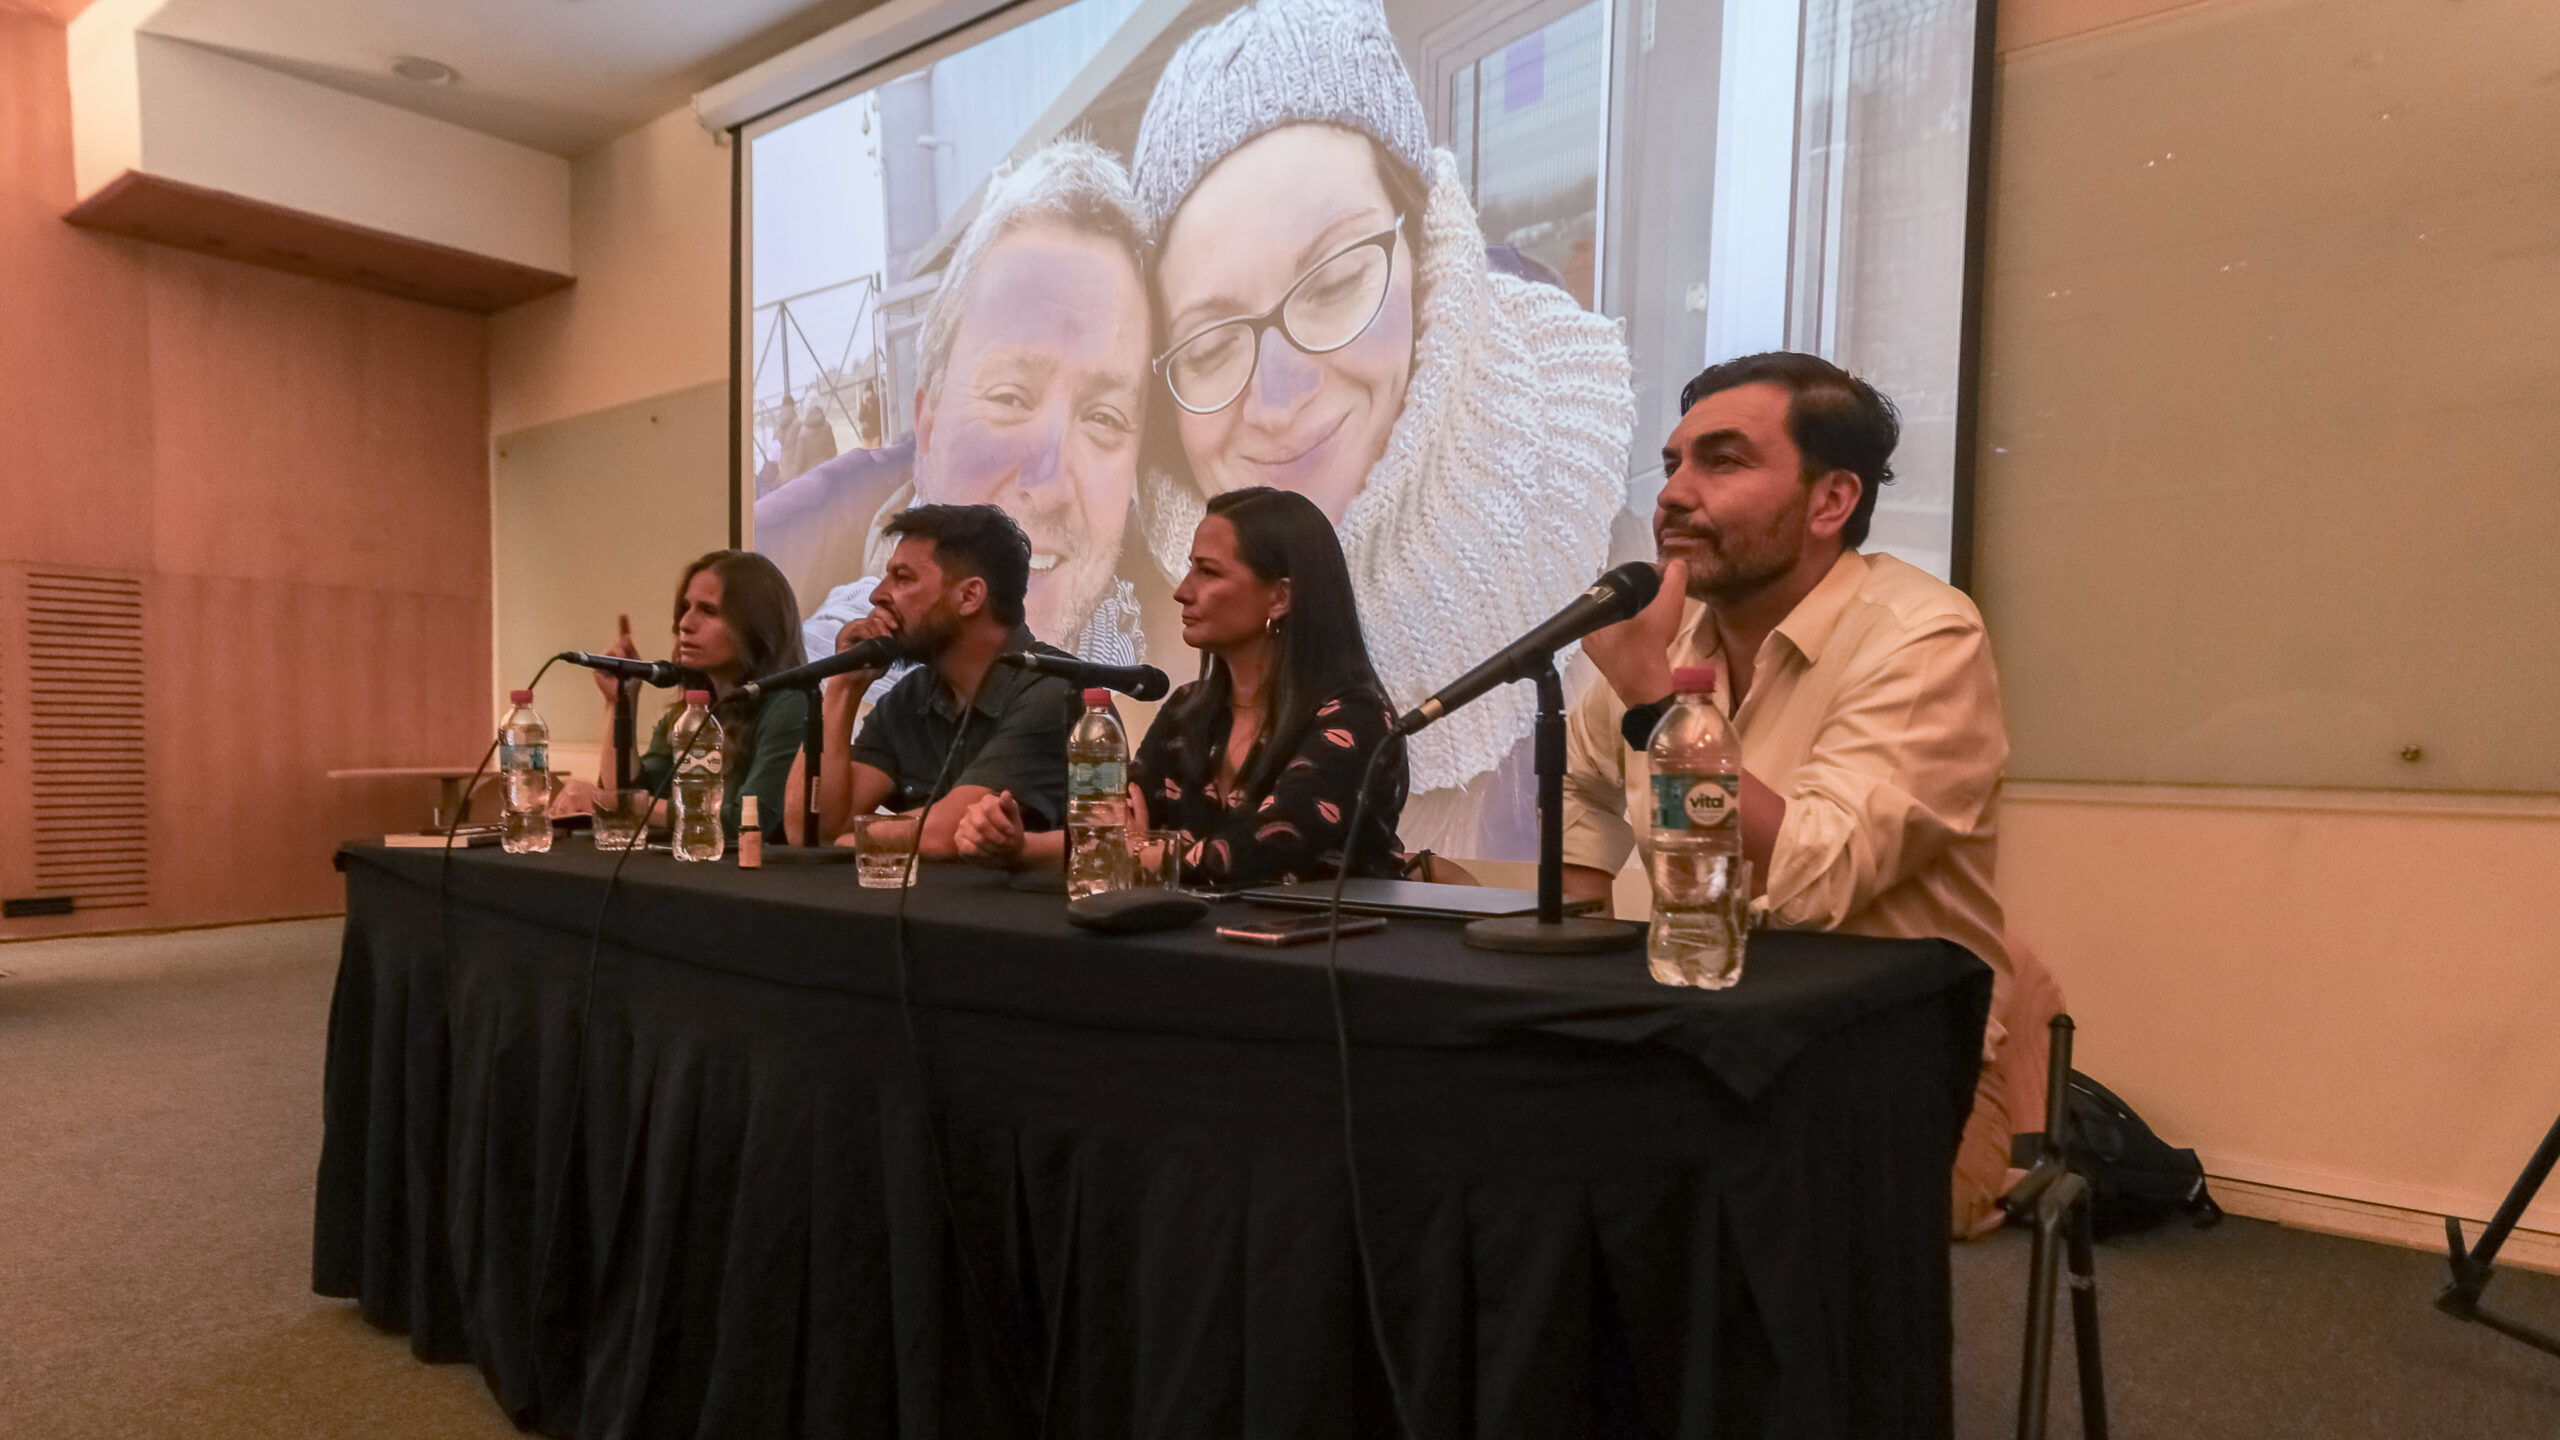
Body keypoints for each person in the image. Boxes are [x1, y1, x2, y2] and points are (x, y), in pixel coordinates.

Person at [1559, 351, 2054, 1238]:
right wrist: (1591, 936)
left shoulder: (1921, 636)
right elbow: (1583, 780)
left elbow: (1807, 875)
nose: (1673, 495)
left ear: (1832, 502)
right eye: (1671, 464)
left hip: (1885, 1071)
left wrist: (1656, 710)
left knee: (1696, 1213)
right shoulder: (1678, 634)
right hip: (1685, 1038)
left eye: (1722, 461)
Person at [1127, 0, 1635, 845]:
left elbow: (1269, 858)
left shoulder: (1604, 549)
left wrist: (1154, 850)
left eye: (1331, 285)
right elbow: (1118, 830)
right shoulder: (1149, 658)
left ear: (1428, 258)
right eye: (1210, 345)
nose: (1281, 393)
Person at [754, 140, 1155, 669]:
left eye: (1104, 417)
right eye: (1010, 397)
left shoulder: (1151, 654)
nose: (1050, 481)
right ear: (928, 423)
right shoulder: (836, 669)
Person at [956, 486, 1406, 887]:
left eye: (1208, 573)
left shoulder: (1355, 716)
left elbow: (1265, 851)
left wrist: (1141, 853)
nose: (1182, 591)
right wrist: (1017, 846)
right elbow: (1114, 834)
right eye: (1190, 568)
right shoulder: (1188, 709)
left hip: (1327, 964)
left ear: (1281, 597)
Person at [783, 503, 1081, 856]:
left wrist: (850, 839)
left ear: (969, 596)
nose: (877, 595)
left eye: (903, 578)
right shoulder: (913, 695)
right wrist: (843, 688)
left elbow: (948, 833)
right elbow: (810, 829)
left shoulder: (1052, 688)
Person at [561, 550, 808, 844]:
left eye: (709, 611)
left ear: (756, 627)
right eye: (686, 608)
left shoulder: (790, 704)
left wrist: (625, 804)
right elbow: (631, 792)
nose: (685, 624)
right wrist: (618, 703)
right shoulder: (690, 714)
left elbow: (746, 822)